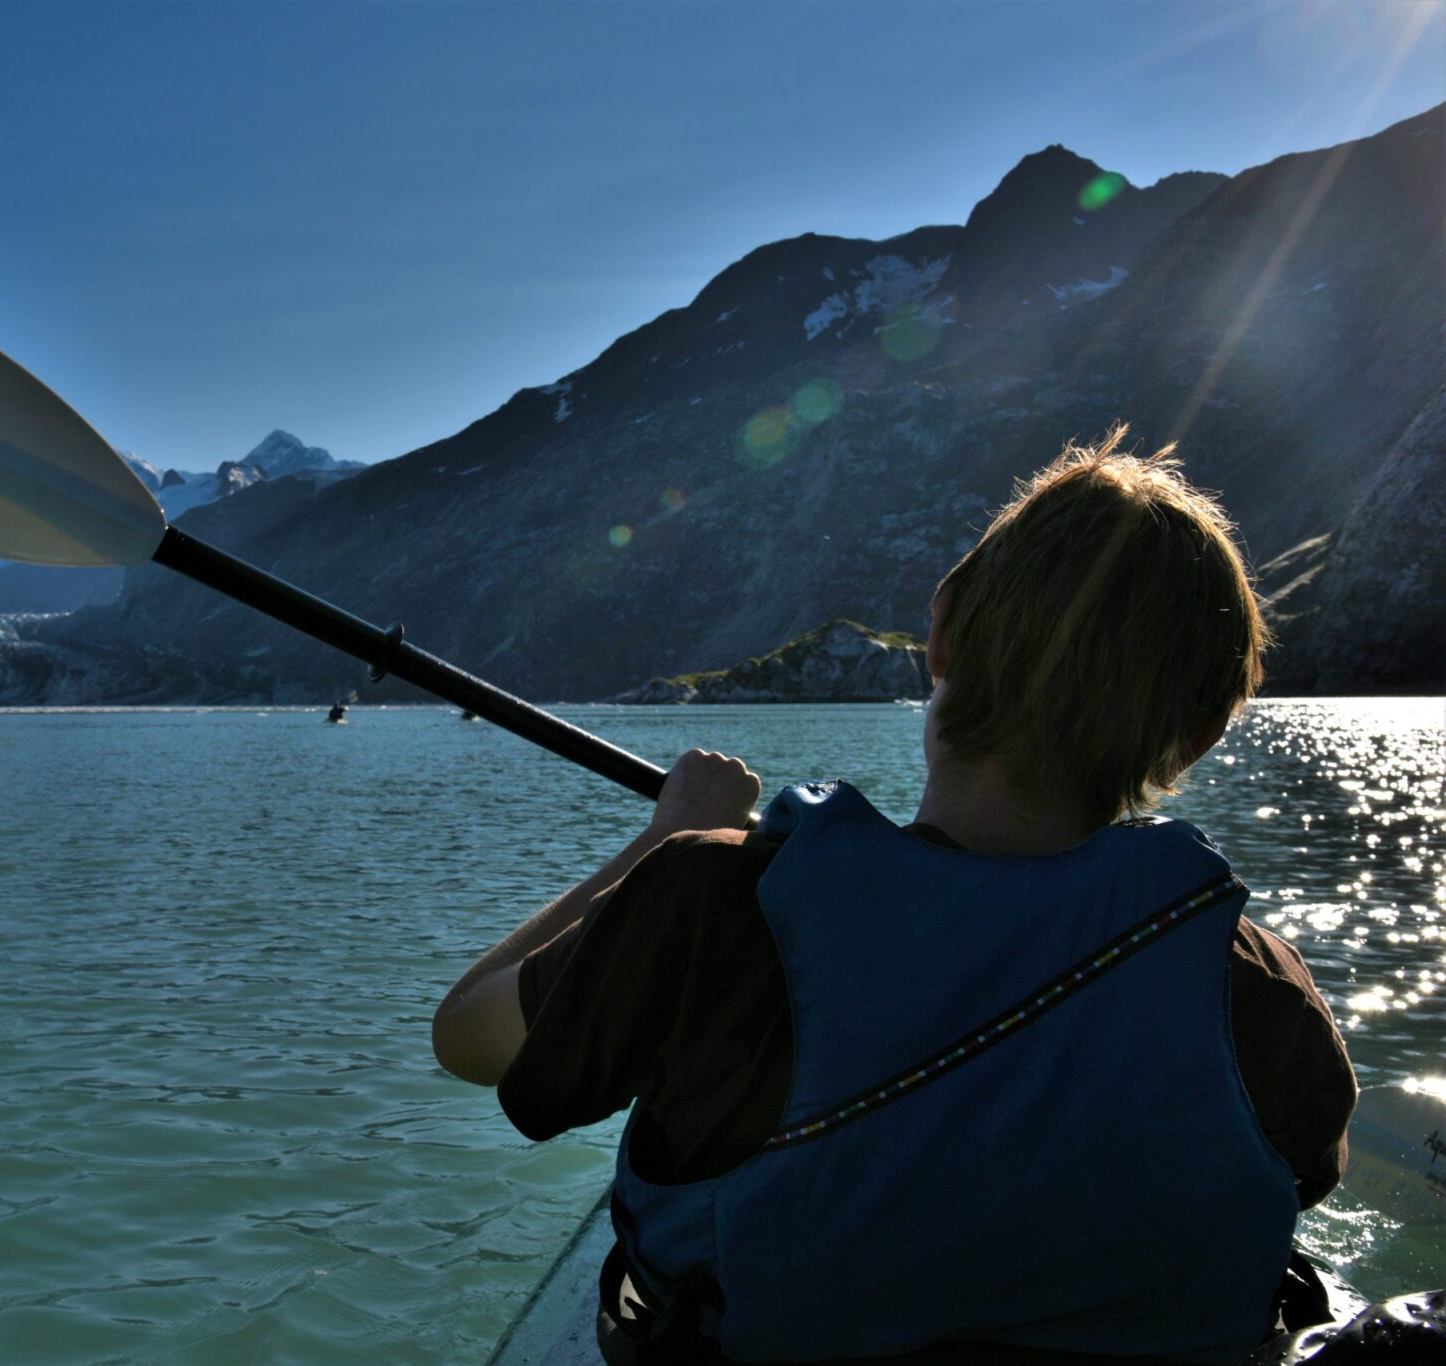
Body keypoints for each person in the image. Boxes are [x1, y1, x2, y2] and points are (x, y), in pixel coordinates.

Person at [432, 429, 1356, 1364]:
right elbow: (1304, 1178)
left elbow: (467, 1036)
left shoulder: (708, 899)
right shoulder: (1258, 990)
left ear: (943, 633)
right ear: (1197, 736)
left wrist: (661, 838)